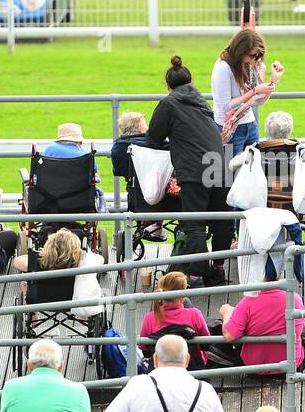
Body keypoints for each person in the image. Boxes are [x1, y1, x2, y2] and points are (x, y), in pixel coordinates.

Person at [146, 56, 231, 287]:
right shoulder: (203, 103)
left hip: (194, 168)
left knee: (194, 222)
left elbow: (153, 137)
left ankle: (195, 274)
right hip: (219, 163)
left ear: (168, 85)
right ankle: (219, 269)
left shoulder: (169, 104)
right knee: (221, 220)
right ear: (190, 81)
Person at [218, 269, 305, 373]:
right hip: (291, 367)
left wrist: (227, 313)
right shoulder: (293, 298)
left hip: (253, 369)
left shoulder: (247, 302)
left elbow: (229, 335)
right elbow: (299, 331)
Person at [211, 27, 283, 159]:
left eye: (257, 55)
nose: (254, 59)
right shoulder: (223, 67)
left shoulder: (249, 65)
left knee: (254, 173)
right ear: (240, 50)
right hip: (230, 130)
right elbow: (226, 106)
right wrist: (254, 91)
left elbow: (259, 101)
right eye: (251, 55)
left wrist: (273, 81)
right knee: (231, 176)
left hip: (250, 126)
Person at [13, 228, 105, 319]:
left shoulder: (39, 262)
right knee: (85, 280)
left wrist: (37, 254)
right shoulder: (80, 263)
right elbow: (100, 259)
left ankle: (34, 320)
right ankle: (84, 318)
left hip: (41, 300)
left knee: (25, 283)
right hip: (74, 300)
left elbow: (17, 261)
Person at [241, 111, 305, 212]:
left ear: (267, 131)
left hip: (261, 203)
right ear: (289, 131)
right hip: (292, 203)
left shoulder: (255, 150)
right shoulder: (299, 150)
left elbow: (233, 164)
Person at [110, 110, 166, 243]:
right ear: (140, 127)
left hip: (136, 197)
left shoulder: (118, 147)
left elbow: (118, 171)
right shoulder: (158, 144)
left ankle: (148, 225)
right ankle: (154, 225)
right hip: (162, 197)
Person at [139, 271, 210, 364]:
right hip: (191, 366)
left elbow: (145, 350)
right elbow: (206, 344)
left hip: (161, 367)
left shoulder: (150, 318)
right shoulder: (194, 315)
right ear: (183, 293)